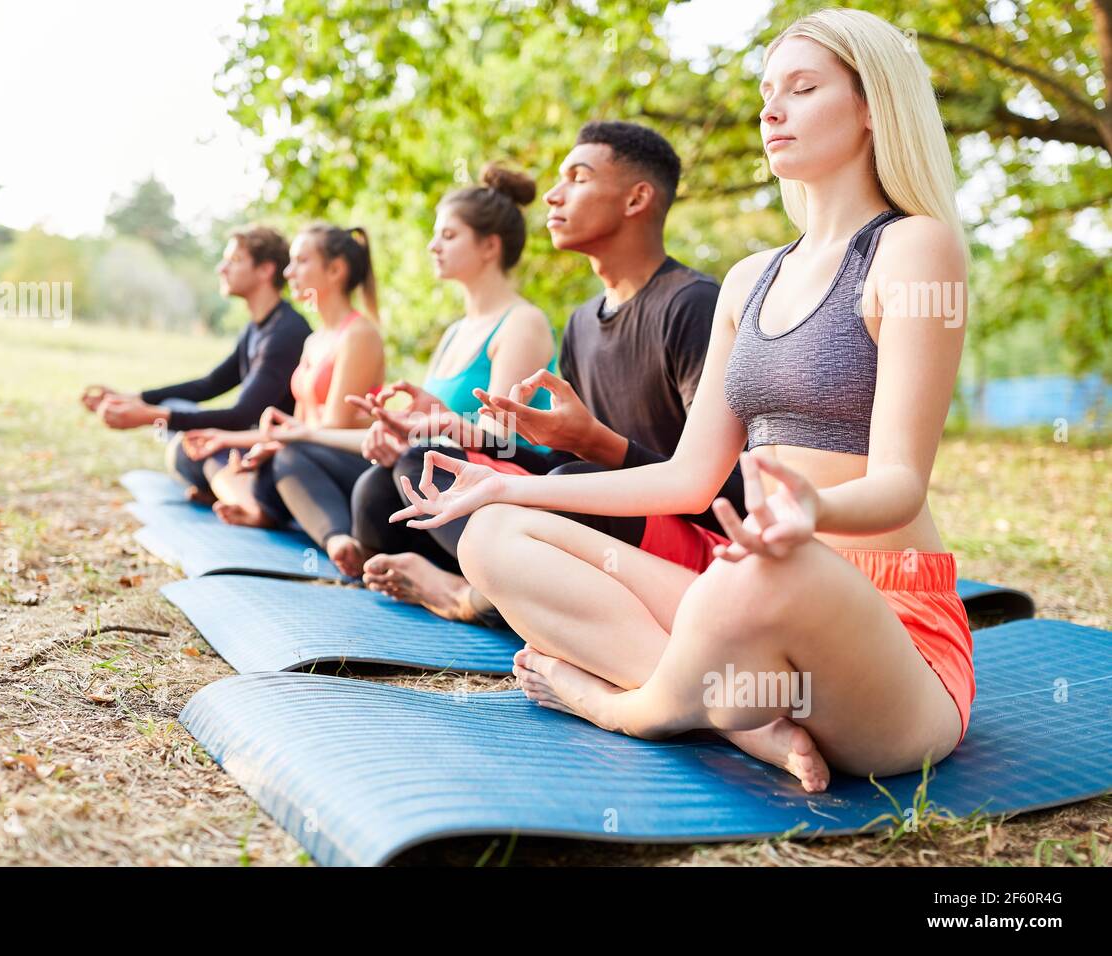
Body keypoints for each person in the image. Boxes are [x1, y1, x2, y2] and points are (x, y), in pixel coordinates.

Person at [390, 7, 974, 794]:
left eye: (802, 89)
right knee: (492, 534)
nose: (771, 111)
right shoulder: (749, 280)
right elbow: (689, 481)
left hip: (886, 634)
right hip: (743, 614)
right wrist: (502, 483)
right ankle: (749, 721)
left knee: (770, 573)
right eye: (767, 91)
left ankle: (628, 708)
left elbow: (903, 482)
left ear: (873, 107)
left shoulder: (914, 247)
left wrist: (810, 515)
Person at [361, 121, 745, 626]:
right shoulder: (584, 322)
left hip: (690, 535)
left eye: (577, 178)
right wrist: (459, 431)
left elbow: (724, 489)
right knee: (425, 465)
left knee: (573, 484)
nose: (551, 196)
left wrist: (599, 444)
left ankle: (471, 596)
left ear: (636, 199)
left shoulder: (693, 304)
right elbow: (553, 461)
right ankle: (496, 583)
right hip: (593, 503)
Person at [255, 164, 559, 578]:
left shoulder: (522, 323)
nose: (434, 246)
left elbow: (502, 441)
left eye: (449, 236)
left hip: (505, 488)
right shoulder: (455, 332)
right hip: (443, 475)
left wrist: (426, 434)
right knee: (373, 487)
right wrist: (399, 429)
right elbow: (439, 429)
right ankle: (381, 558)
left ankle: (467, 581)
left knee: (401, 472)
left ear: (490, 246)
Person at [180, 225, 384, 546]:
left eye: (301, 262)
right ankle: (257, 503)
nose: (289, 273)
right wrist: (225, 439)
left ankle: (334, 537)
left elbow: (332, 428)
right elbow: (299, 426)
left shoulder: (359, 335)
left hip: (336, 463)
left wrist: (269, 447)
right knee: (208, 451)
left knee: (285, 459)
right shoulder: (315, 340)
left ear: (335, 270)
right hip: (304, 448)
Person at [80, 226, 310, 502]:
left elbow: (242, 416)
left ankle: (241, 494)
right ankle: (225, 484)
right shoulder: (256, 328)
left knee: (183, 443)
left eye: (234, 261)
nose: (221, 269)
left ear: (265, 270)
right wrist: (132, 398)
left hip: (271, 450)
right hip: (241, 439)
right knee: (178, 421)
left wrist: (150, 416)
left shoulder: (286, 332)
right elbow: (209, 384)